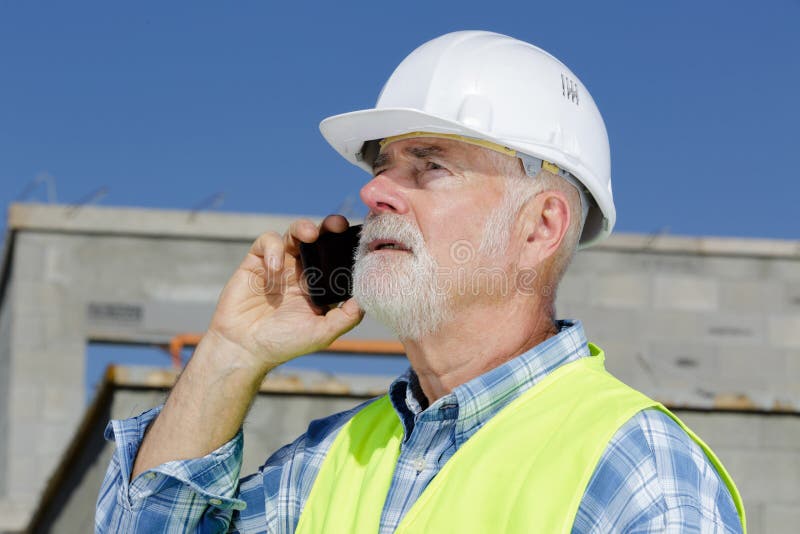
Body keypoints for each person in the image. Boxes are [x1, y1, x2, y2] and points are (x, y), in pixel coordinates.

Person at [96, 31, 746, 533]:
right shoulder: (322, 464)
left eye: (429, 165)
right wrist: (231, 357)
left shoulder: (635, 470)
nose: (374, 190)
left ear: (540, 227)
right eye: (383, 167)